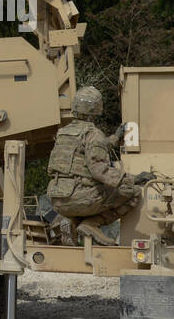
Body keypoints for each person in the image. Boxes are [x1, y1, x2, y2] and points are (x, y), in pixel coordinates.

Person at [45, 86, 150, 246]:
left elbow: (90, 150)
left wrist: (115, 137)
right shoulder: (94, 134)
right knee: (131, 192)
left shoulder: (63, 133)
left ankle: (69, 220)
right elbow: (100, 171)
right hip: (80, 198)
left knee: (87, 198)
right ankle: (91, 224)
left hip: (57, 200)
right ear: (96, 109)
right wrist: (134, 179)